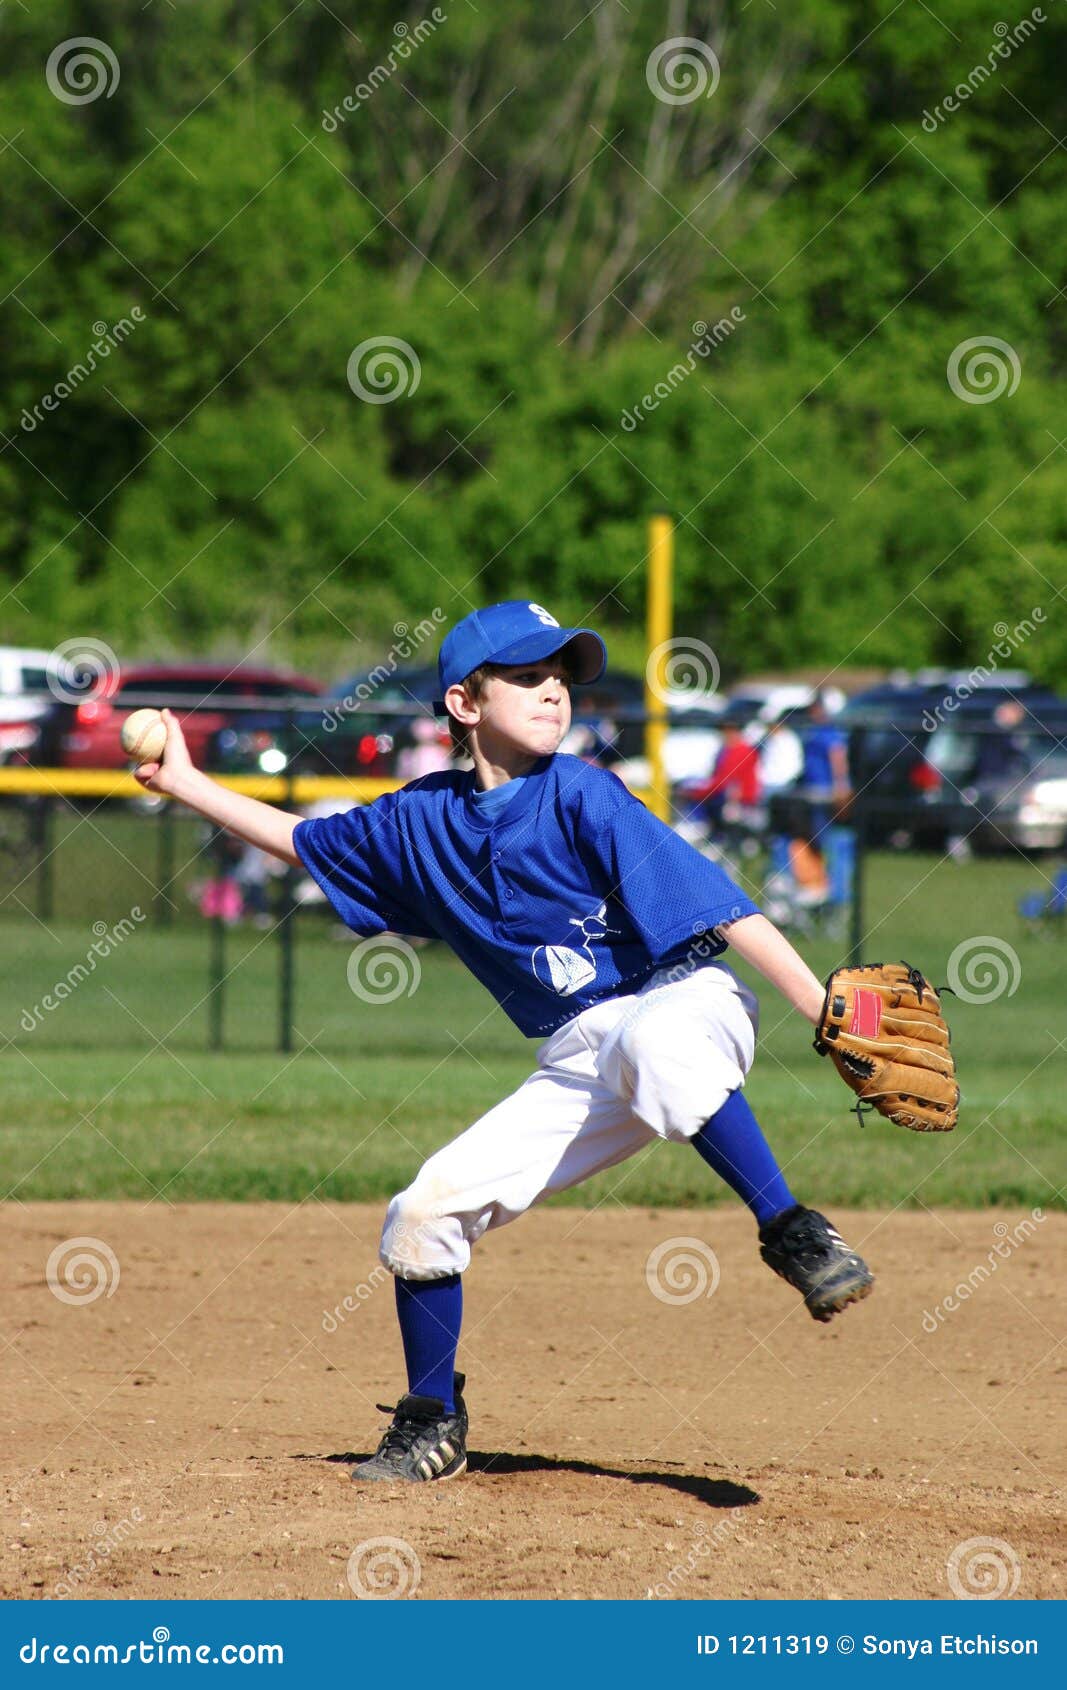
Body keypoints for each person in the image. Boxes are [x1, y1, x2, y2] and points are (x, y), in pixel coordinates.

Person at [134, 601, 873, 1486]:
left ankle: (792, 1231)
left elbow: (718, 903)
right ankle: (432, 1418)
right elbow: (303, 842)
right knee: (421, 1215)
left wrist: (820, 1007)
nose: (554, 692)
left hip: (683, 1000)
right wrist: (182, 785)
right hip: (577, 1051)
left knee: (653, 1043)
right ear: (463, 703)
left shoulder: (585, 794)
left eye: (562, 677)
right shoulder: (421, 821)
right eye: (527, 677)